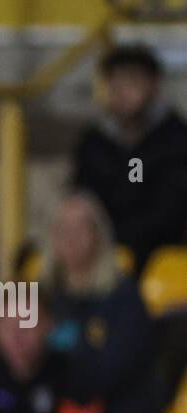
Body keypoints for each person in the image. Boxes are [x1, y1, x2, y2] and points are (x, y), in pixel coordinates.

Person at [39, 191, 164, 413]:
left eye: (80, 228)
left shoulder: (124, 297)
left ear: (99, 235)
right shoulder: (43, 296)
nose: (71, 237)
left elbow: (118, 369)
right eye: (63, 229)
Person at [72, 44, 187, 271]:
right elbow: (81, 198)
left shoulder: (177, 141)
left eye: (132, 81)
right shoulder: (93, 143)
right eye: (115, 81)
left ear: (154, 85)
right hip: (100, 259)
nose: (123, 90)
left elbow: (171, 211)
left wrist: (122, 239)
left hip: (164, 258)